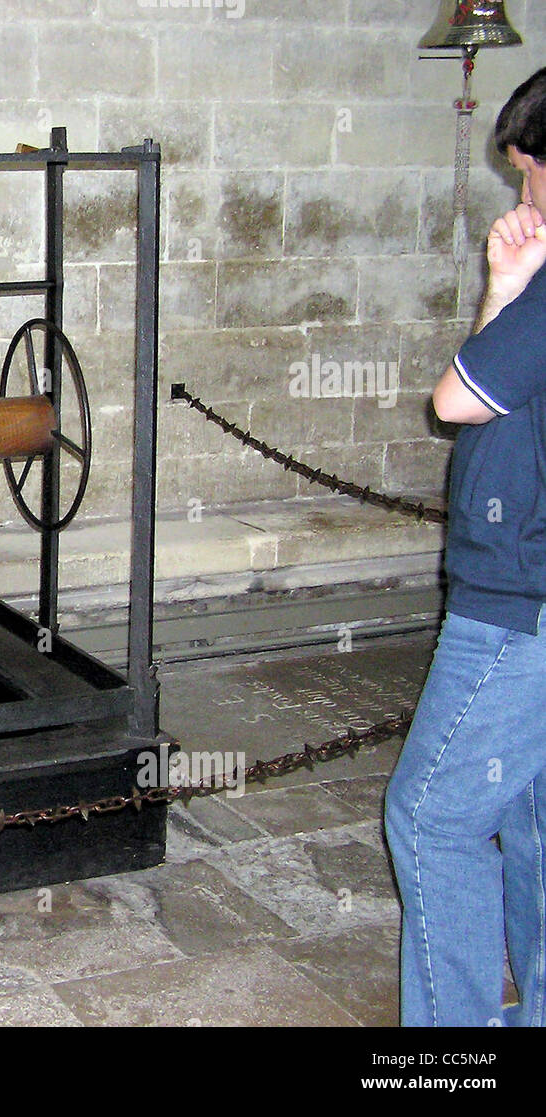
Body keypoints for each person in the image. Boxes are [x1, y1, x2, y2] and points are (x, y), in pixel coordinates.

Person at [384, 67, 546, 1028]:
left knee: (430, 814)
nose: (526, 194)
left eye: (531, 171)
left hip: (517, 603)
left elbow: (456, 398)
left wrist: (514, 286)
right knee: (525, 815)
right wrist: (509, 286)